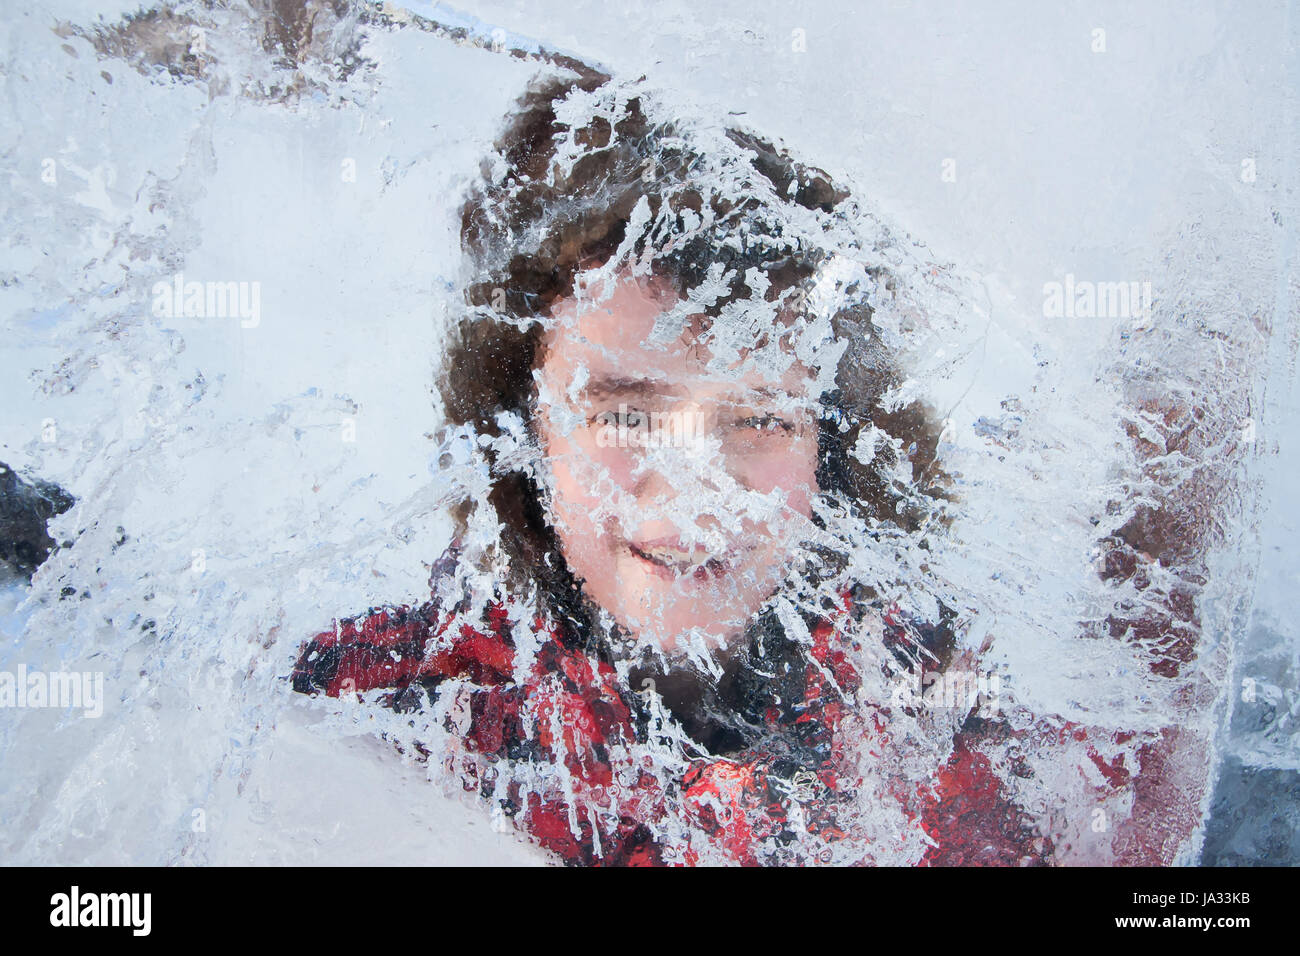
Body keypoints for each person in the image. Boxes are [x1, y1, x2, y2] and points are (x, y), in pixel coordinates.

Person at [292, 70, 1195, 866]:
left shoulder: (963, 746)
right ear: (518, 425)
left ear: (835, 449)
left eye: (759, 416)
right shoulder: (374, 709)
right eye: (624, 409)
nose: (693, 485)